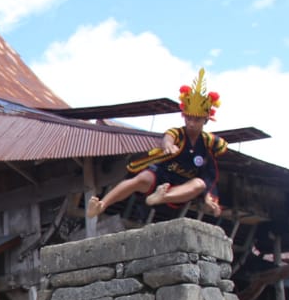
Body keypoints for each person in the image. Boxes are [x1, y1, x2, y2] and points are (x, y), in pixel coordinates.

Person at [87, 68, 227, 218]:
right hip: (161, 174)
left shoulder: (209, 142)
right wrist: (168, 145)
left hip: (180, 187)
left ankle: (162, 197)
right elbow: (168, 137)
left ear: (205, 120)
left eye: (196, 120)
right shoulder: (178, 133)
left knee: (199, 184)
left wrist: (209, 198)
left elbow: (209, 175)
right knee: (140, 179)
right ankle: (101, 205)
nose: (191, 123)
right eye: (188, 118)